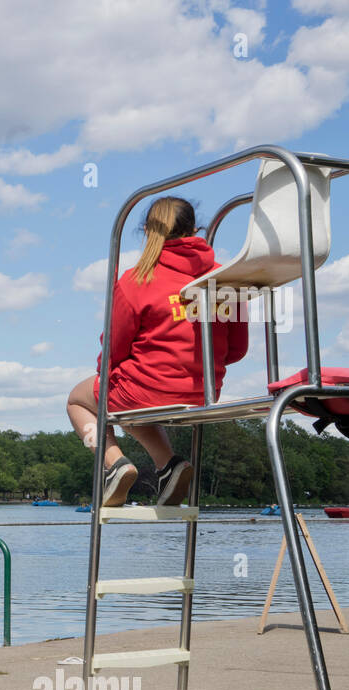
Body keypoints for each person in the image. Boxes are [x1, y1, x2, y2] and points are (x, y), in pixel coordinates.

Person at [66, 196, 248, 507]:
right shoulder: (226, 277)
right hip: (203, 392)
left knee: (77, 400)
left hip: (145, 389)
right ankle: (169, 467)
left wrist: (107, 373)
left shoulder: (137, 279)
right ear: (195, 228)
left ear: (148, 232)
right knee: (133, 408)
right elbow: (237, 350)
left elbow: (114, 349)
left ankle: (115, 463)